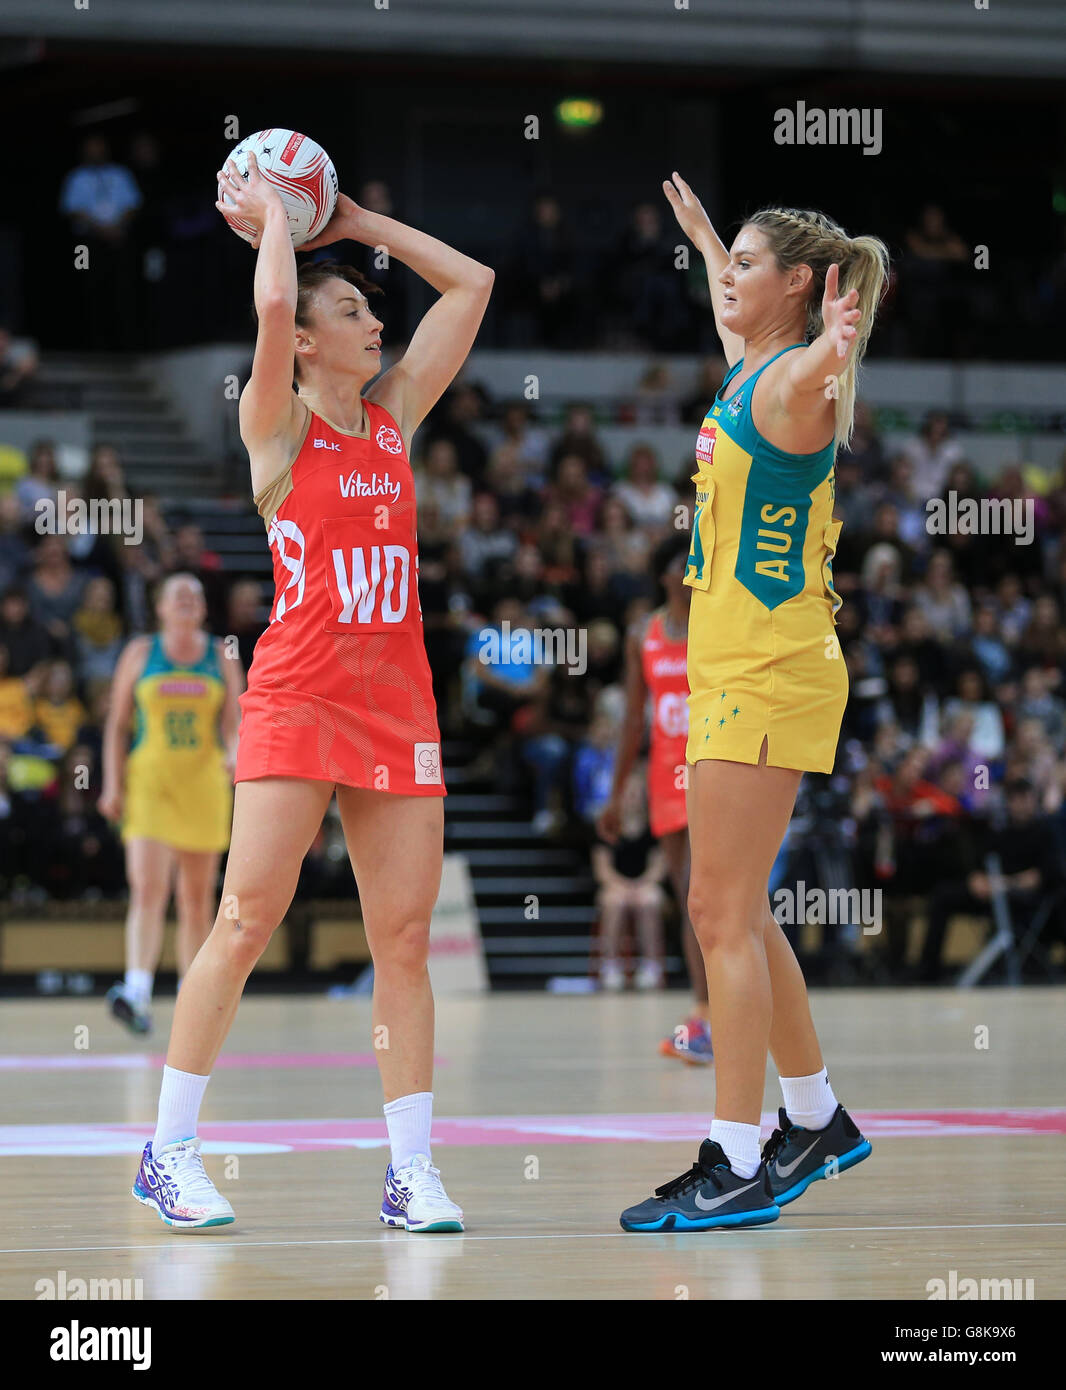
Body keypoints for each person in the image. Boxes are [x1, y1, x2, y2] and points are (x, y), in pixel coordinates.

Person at [128, 151, 492, 1232]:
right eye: (353, 307)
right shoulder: (273, 425)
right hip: (298, 694)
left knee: (406, 942)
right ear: (301, 340)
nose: (374, 319)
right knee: (244, 916)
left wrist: (354, 220)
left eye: (373, 306)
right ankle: (167, 1149)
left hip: (398, 704)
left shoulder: (398, 415)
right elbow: (277, 296)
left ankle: (410, 1170)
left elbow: (469, 284)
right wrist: (282, 227)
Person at [619, 174, 888, 1233]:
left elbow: (819, 373)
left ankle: (736, 1160)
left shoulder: (798, 380)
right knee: (740, 906)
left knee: (716, 913)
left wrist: (834, 339)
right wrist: (707, 249)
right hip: (748, 668)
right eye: (720, 262)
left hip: (767, 671)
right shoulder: (752, 369)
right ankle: (815, 1118)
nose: (723, 279)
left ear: (800, 287)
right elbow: (760, 343)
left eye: (743, 264)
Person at [99, 574, 241, 1033]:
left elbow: (236, 722)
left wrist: (236, 753)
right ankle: (137, 990)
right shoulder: (140, 652)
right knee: (146, 887)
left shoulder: (222, 654)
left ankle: (191, 998)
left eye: (195, 594)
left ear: (203, 609)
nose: (186, 599)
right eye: (177, 593)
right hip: (150, 783)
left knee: (197, 899)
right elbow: (118, 725)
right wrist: (111, 784)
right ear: (160, 607)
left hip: (203, 784)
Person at [598, 533, 712, 1063]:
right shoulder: (644, 635)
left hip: (712, 769)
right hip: (667, 779)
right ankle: (705, 1013)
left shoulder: (716, 627)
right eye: (681, 566)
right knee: (691, 899)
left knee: (709, 895)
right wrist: (617, 794)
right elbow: (632, 724)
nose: (689, 574)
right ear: (667, 576)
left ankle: (715, 1015)